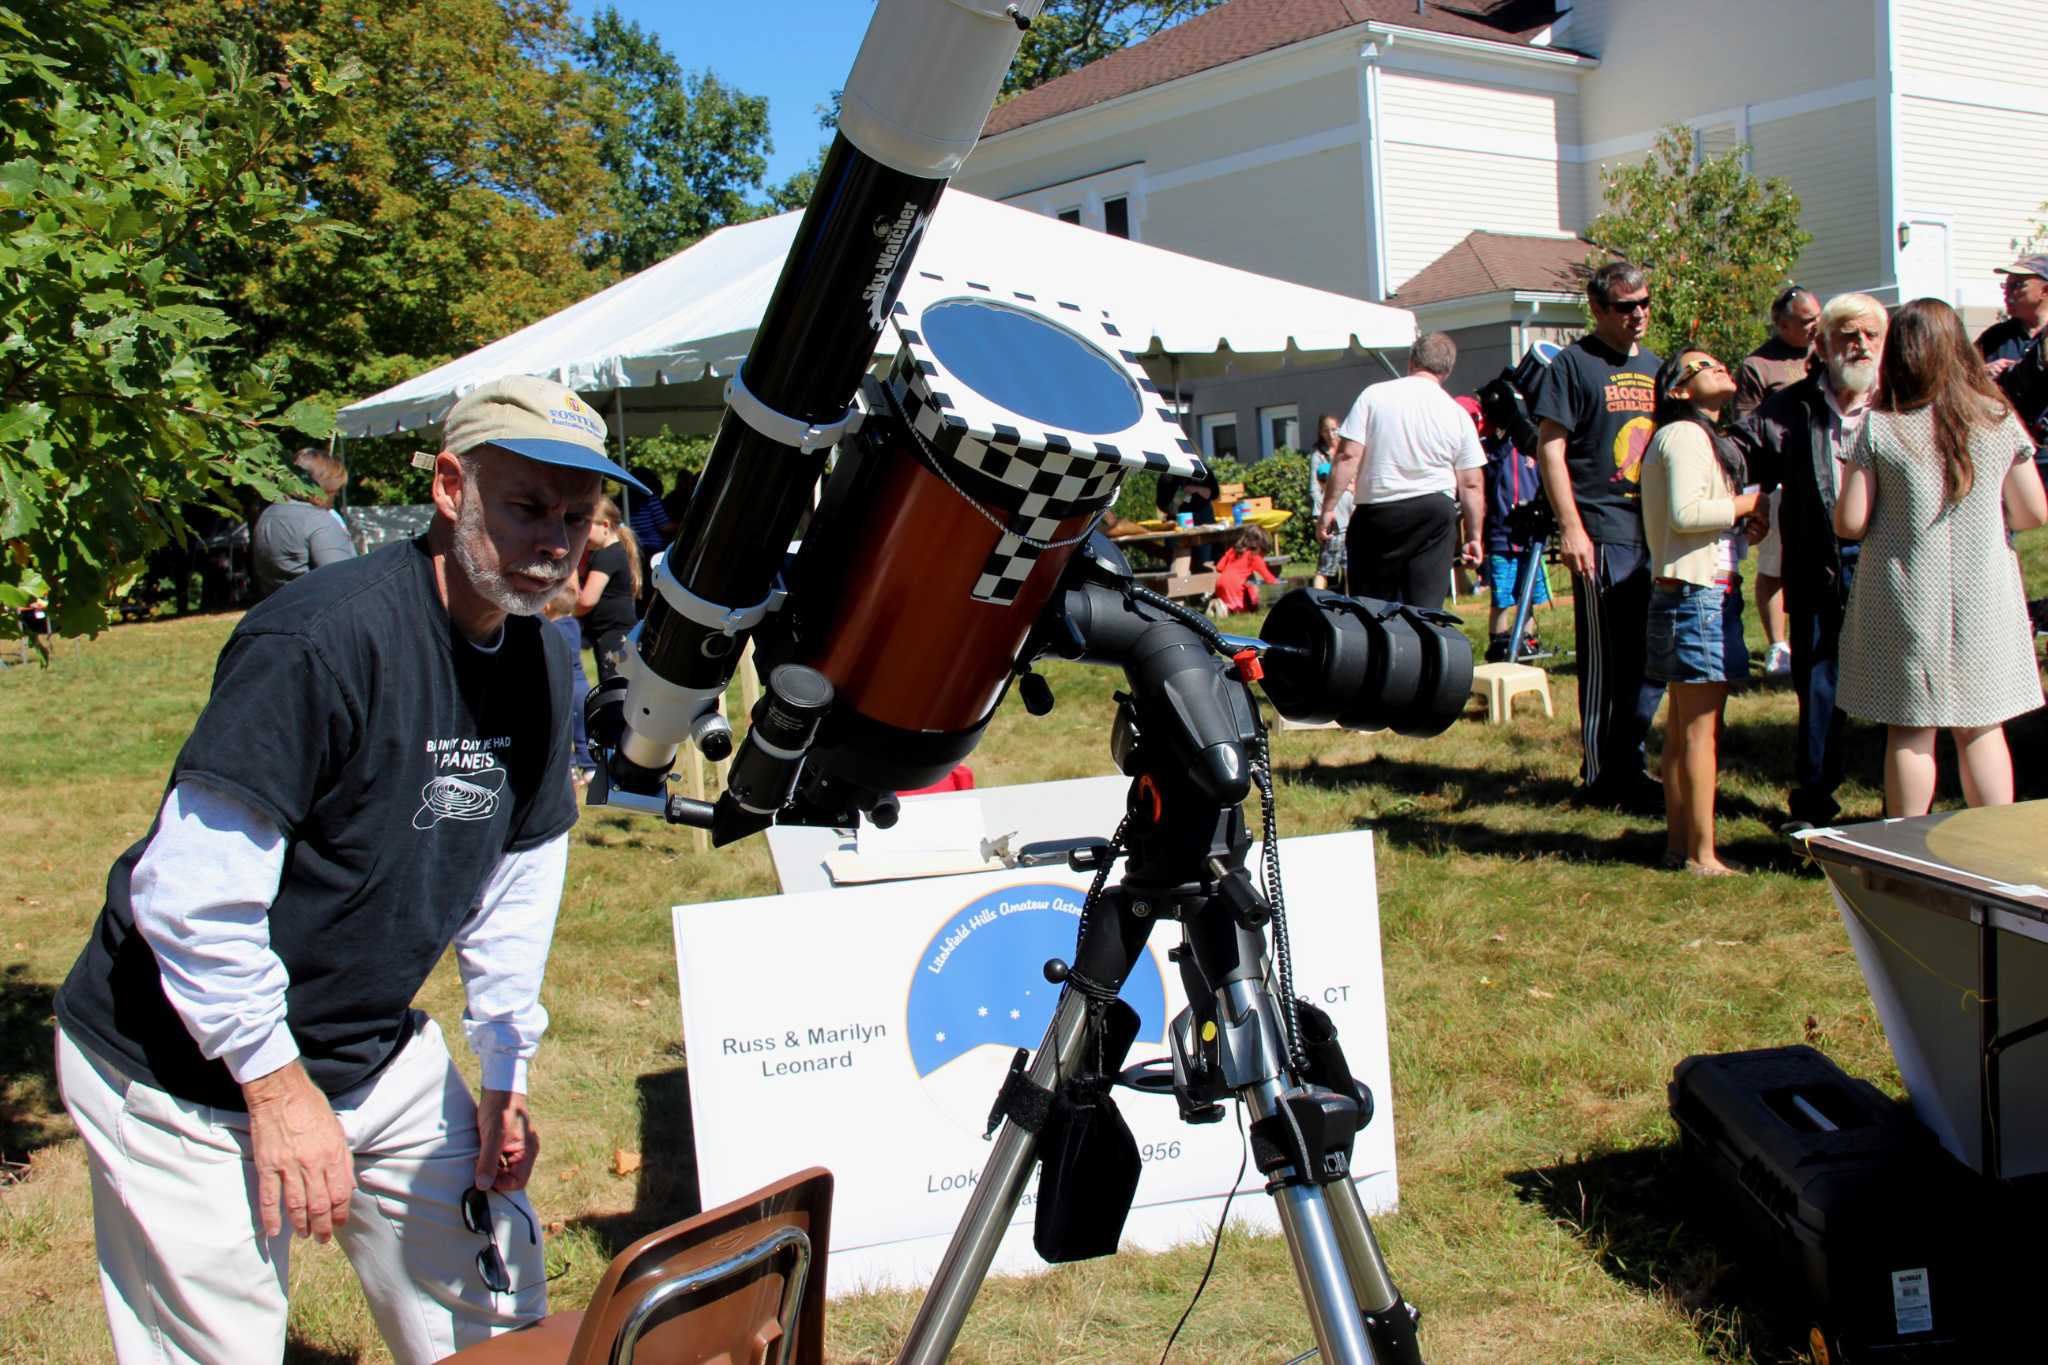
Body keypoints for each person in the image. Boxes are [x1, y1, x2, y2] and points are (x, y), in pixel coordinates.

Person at [52, 375, 646, 1364]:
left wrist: (504, 1073)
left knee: (495, 1310)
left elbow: (521, 873)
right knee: (220, 1345)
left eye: (576, 517)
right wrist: (276, 1089)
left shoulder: (545, 656)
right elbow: (190, 898)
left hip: (369, 1045)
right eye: (528, 506)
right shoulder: (319, 640)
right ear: (450, 488)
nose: (555, 541)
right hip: (179, 1065)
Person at [1834, 298, 2047, 816]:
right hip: (1985, 592)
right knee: (1982, 725)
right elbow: (2032, 512)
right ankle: (1993, 847)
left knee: (1911, 727)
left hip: (1906, 594)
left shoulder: (1881, 427)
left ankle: (1905, 851)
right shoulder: (1997, 419)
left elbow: (1850, 522)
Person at [1738, 293, 1887, 834]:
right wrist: (1749, 506)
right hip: (1816, 561)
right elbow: (1744, 458)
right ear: (1820, 344)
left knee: (1900, 684)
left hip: (1890, 563)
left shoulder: (1900, 404)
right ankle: (1814, 805)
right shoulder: (1789, 407)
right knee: (1819, 684)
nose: (1860, 344)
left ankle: (1902, 810)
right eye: (1847, 334)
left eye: (1871, 334)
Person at [1529, 261, 1666, 810]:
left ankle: (1630, 764)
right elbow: (1550, 447)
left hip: (1651, 530)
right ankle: (1599, 775)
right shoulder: (1574, 364)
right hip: (1601, 529)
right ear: (1598, 309)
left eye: (1645, 303)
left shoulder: (1657, 367)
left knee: (1645, 660)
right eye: (1626, 306)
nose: (1639, 314)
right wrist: (1571, 528)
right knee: (1605, 661)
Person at [1642, 348, 1761, 874]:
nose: (1717, 367)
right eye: (1700, 366)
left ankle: (1681, 845)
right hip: (1697, 596)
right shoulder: (1686, 434)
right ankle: (1702, 854)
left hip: (1689, 592)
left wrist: (1741, 524)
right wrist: (1749, 505)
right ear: (1678, 391)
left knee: (1681, 729)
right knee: (1699, 732)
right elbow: (1687, 514)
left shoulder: (1689, 436)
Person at [1318, 332, 1486, 608]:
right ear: (1447, 370)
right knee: (1425, 610)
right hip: (1434, 511)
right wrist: (1475, 536)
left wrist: (1328, 509)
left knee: (1371, 609)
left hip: (1378, 513)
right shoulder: (1456, 413)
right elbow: (1471, 483)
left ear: (1411, 361)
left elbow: (1348, 456)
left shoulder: (1374, 396)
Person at [1737, 286, 1822, 676]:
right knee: (1774, 564)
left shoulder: (1826, 353)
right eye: (1806, 321)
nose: (1815, 326)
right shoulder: (1759, 365)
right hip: (1780, 477)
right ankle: (1777, 645)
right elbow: (1748, 423)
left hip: (1821, 472)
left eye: (1817, 317)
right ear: (1782, 324)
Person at [1468, 393, 1551, 662]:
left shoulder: (1535, 448)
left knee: (1528, 595)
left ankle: (1526, 644)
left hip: (1531, 535)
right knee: (1502, 596)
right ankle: (1499, 644)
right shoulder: (1492, 449)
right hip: (1501, 535)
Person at [1977, 254, 2048, 478]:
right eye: (2005, 286)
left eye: (2017, 285)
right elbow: (1956, 380)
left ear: (2045, 291)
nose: (2008, 293)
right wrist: (1982, 373)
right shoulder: (1994, 338)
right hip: (2010, 456)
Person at [251, 448, 355, 596]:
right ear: (322, 486)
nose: (336, 494)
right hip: (318, 605)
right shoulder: (317, 520)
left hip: (279, 604)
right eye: (334, 490)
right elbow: (341, 581)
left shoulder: (267, 514)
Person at [577, 496, 644, 684]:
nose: (581, 533)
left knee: (615, 689)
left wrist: (564, 612)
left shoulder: (607, 556)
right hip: (612, 633)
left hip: (614, 635)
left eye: (586, 525)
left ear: (605, 525)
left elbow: (586, 601)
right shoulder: (609, 552)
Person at [543, 578, 595, 789]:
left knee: (561, 732)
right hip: (582, 687)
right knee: (582, 732)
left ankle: (569, 769)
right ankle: (590, 768)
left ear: (547, 606)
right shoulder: (574, 625)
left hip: (563, 688)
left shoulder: (550, 630)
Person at [1305, 413, 1351, 589]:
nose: (1331, 434)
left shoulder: (1348, 448)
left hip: (1347, 513)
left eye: (1334, 429)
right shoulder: (1319, 455)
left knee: (1347, 568)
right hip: (1333, 518)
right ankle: (1317, 600)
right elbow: (1314, 488)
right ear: (1321, 433)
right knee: (1327, 568)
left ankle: (1349, 600)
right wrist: (1321, 513)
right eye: (1326, 431)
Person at [1209, 524, 1281, 615]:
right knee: (1250, 589)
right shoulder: (1254, 556)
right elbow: (1268, 577)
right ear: (1260, 546)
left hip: (1220, 584)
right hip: (1234, 587)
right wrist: (1280, 584)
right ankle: (1230, 609)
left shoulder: (1233, 550)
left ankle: (1220, 604)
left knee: (1247, 580)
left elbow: (1219, 567)